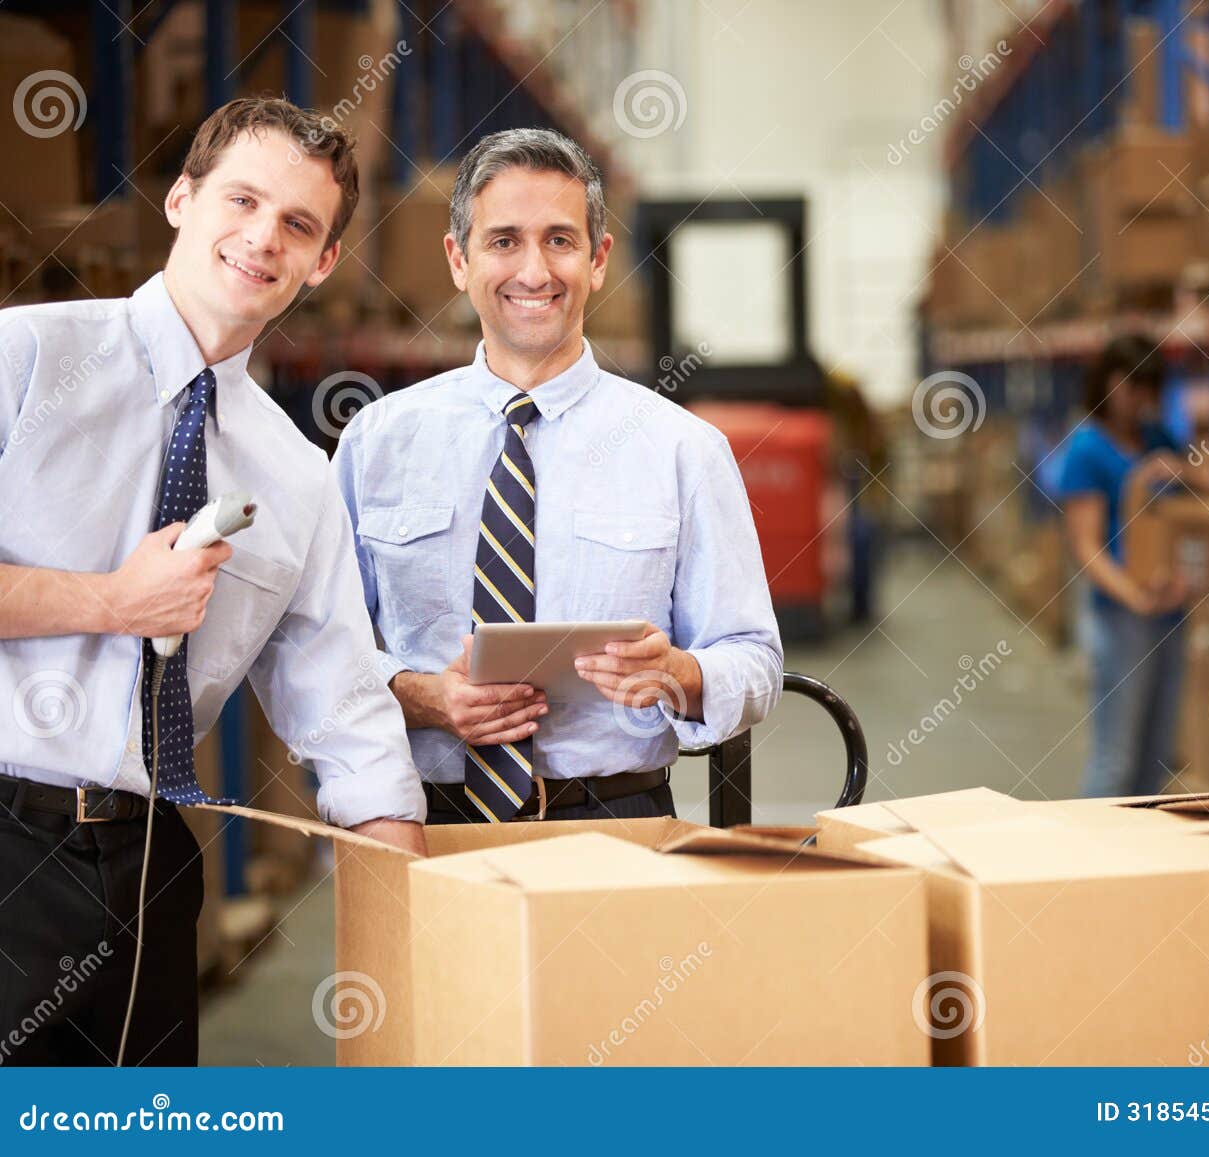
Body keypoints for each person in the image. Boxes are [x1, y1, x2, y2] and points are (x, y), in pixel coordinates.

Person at [0, 98, 427, 1067]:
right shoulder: (22, 359)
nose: (261, 237)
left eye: (298, 225)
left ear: (322, 263)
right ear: (182, 199)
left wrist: (416, 920)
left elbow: (347, 710)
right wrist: (110, 602)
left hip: (147, 866)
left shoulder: (294, 474)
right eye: (242, 199)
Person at [332, 128, 782, 825]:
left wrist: (682, 674)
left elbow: (756, 663)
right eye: (505, 240)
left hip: (616, 823)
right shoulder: (376, 443)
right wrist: (425, 697)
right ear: (459, 259)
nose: (535, 272)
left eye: (561, 241)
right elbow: (321, 651)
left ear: (598, 260)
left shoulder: (682, 449)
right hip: (422, 824)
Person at [1043, 335, 1209, 797]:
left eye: (1148, 389)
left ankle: (1136, 860)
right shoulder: (1088, 449)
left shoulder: (1157, 438)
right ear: (1109, 383)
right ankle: (1093, 861)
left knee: (1156, 757)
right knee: (1116, 757)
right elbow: (1086, 546)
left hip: (1169, 610)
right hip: (1122, 617)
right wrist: (1134, 597)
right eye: (1131, 387)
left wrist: (1184, 462)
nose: (1139, 399)